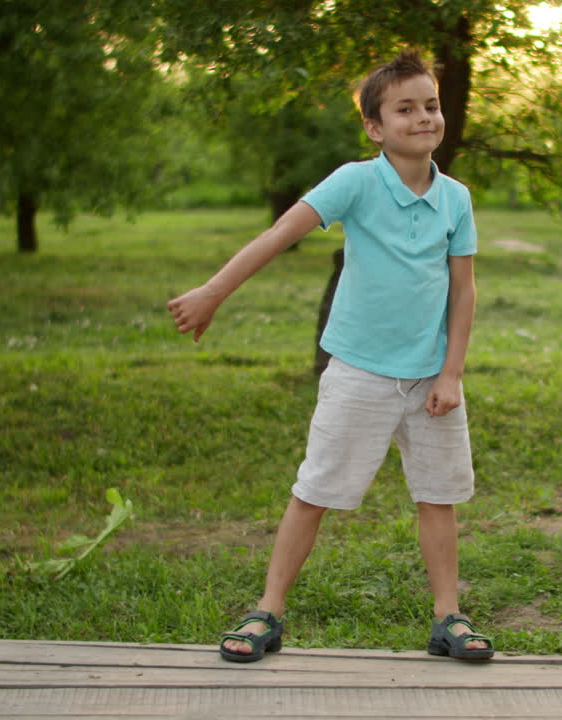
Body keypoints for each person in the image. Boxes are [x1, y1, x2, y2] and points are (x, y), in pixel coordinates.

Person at [167, 50, 493, 663]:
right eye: (405, 109)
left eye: (431, 105)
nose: (423, 117)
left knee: (438, 495)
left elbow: (463, 288)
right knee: (314, 490)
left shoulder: (457, 198)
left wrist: (451, 372)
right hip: (359, 374)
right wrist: (213, 291)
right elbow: (277, 236)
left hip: (430, 379)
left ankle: (448, 617)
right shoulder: (355, 181)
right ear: (375, 126)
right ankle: (268, 611)